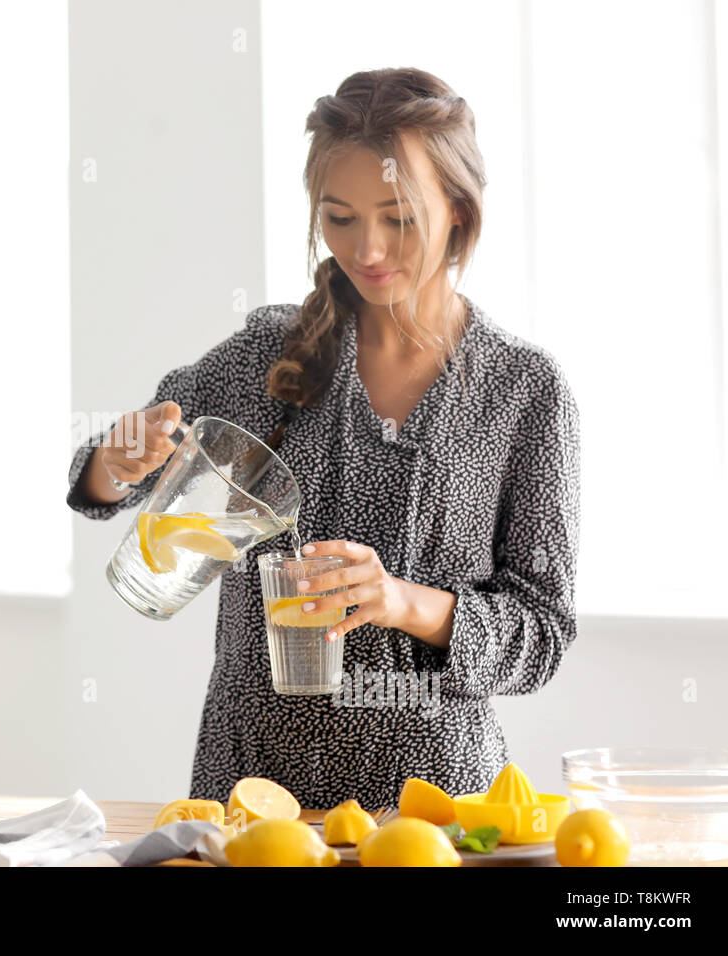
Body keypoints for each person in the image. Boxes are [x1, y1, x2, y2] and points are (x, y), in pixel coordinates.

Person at [65, 67, 581, 811]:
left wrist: (401, 601)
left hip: (433, 808)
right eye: (340, 217)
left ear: (460, 213)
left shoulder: (525, 391)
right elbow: (111, 478)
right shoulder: (264, 355)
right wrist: (116, 462)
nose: (368, 249)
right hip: (251, 791)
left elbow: (541, 633)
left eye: (399, 218)